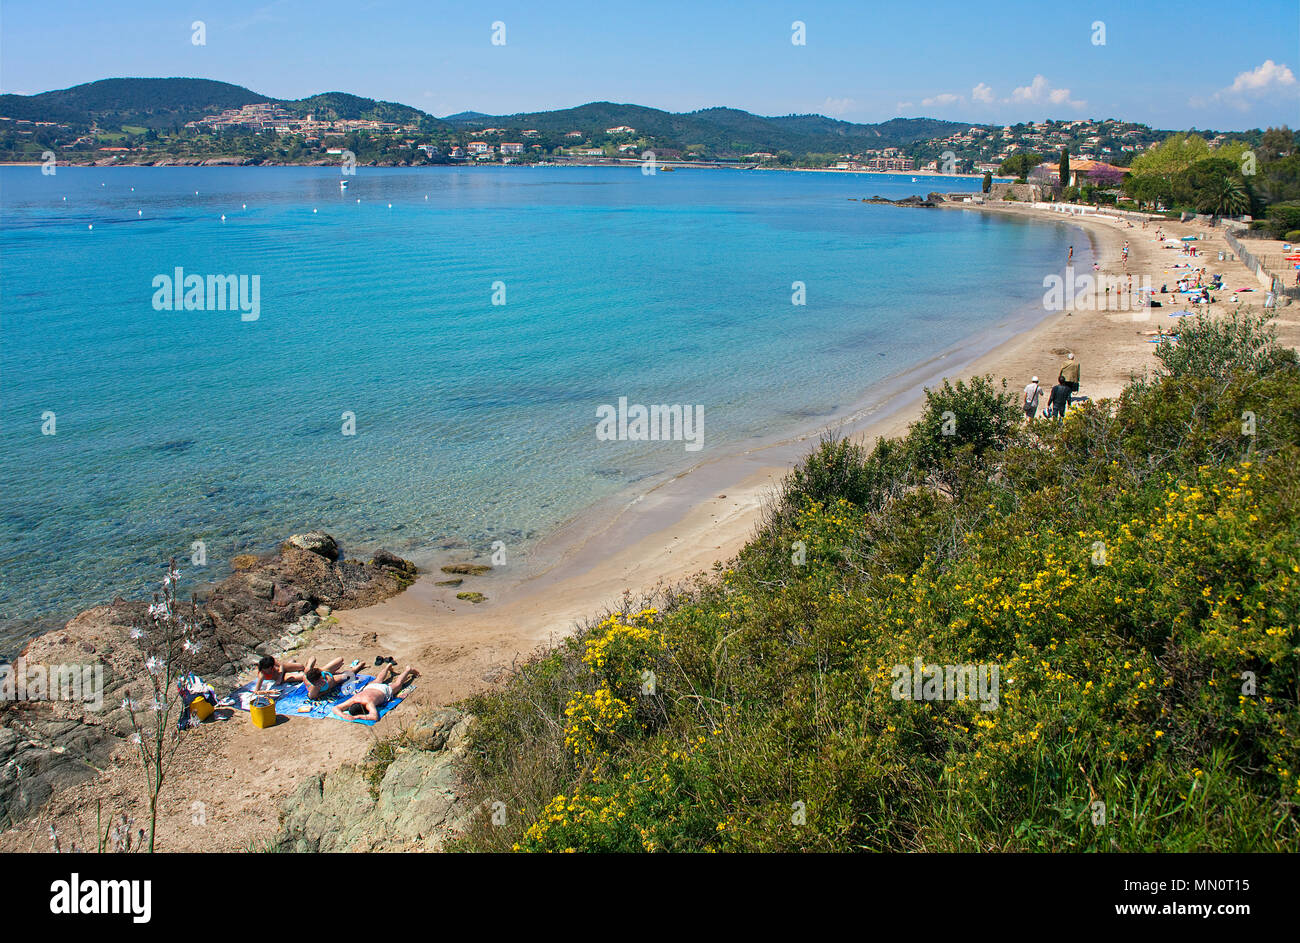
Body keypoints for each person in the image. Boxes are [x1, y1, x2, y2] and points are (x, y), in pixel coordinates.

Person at [331, 663, 420, 722]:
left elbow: (375, 717)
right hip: (370, 688)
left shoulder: (369, 704)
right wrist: (342, 714)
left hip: (383, 691)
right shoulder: (354, 699)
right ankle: (387, 667)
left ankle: (408, 670)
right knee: (378, 679)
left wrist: (357, 717)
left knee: (398, 684)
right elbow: (335, 708)